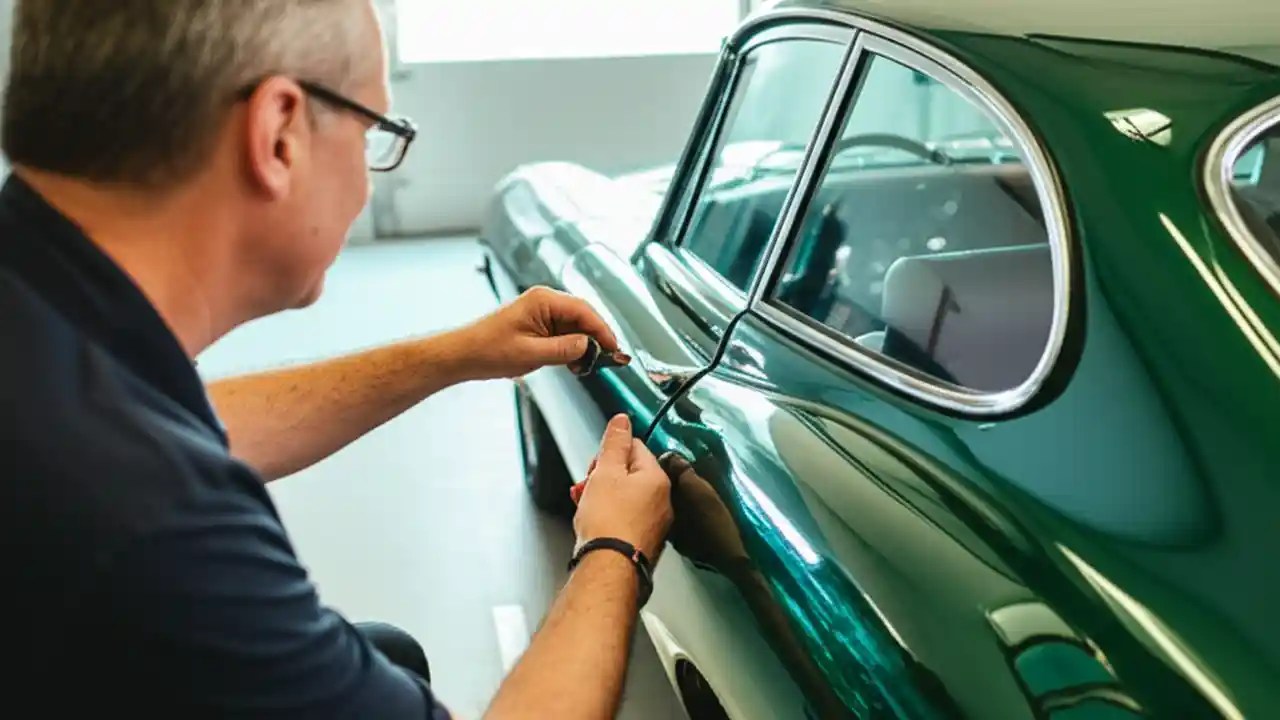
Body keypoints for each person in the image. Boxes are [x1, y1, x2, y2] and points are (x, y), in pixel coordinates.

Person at [0, 1, 673, 718]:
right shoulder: (154, 523)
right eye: (376, 130)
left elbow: (190, 422)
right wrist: (615, 551)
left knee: (385, 653)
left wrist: (458, 353)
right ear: (279, 134)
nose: (370, 176)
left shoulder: (44, 318)